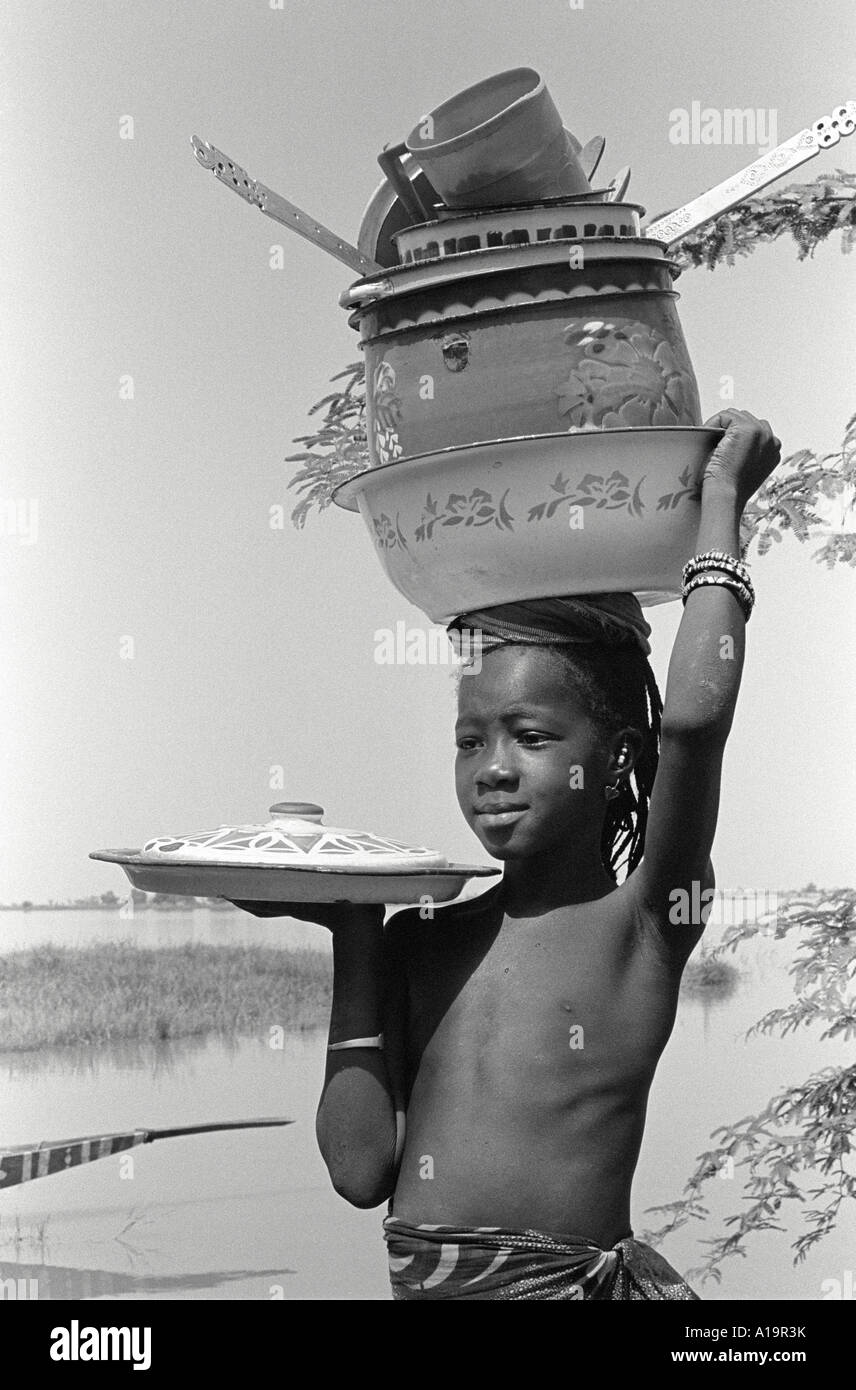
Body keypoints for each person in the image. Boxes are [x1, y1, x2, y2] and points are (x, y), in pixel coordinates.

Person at [235, 409, 781, 1300]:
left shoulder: (641, 923)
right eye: (468, 741)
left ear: (612, 764)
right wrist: (355, 933)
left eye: (530, 737)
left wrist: (720, 504)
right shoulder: (421, 940)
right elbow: (360, 1169)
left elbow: (690, 725)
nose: (492, 770)